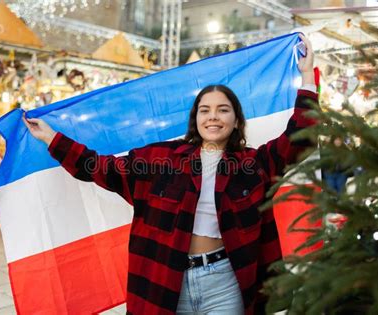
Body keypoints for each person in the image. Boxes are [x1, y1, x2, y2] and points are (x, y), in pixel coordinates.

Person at [23, 34, 317, 315]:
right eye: (205, 110)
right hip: (165, 282)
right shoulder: (159, 160)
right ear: (196, 119)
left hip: (225, 284)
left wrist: (307, 79)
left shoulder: (254, 164)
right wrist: (52, 138)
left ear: (236, 120)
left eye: (223, 110)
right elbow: (100, 168)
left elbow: (299, 137)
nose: (213, 116)